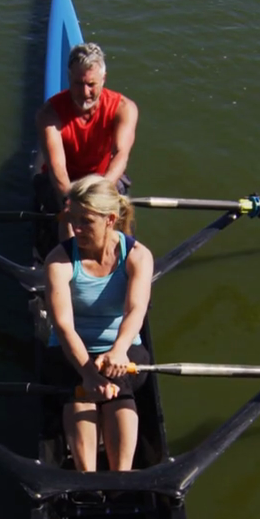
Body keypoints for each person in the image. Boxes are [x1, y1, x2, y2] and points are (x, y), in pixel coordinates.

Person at [45, 175, 155, 472]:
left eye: (86, 221)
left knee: (118, 386)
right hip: (71, 347)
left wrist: (118, 351)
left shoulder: (138, 255)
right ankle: (88, 479)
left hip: (123, 346)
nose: (76, 228)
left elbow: (136, 309)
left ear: (110, 220)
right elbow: (63, 325)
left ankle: (121, 480)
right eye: (72, 219)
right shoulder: (59, 259)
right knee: (80, 391)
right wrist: (87, 373)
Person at [37, 42, 139, 199]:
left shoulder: (124, 109)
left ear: (103, 79)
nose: (85, 93)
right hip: (64, 182)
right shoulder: (49, 114)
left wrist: (100, 195)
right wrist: (69, 200)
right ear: (69, 78)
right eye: (78, 84)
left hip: (103, 180)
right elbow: (57, 166)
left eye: (91, 84)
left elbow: (121, 154)